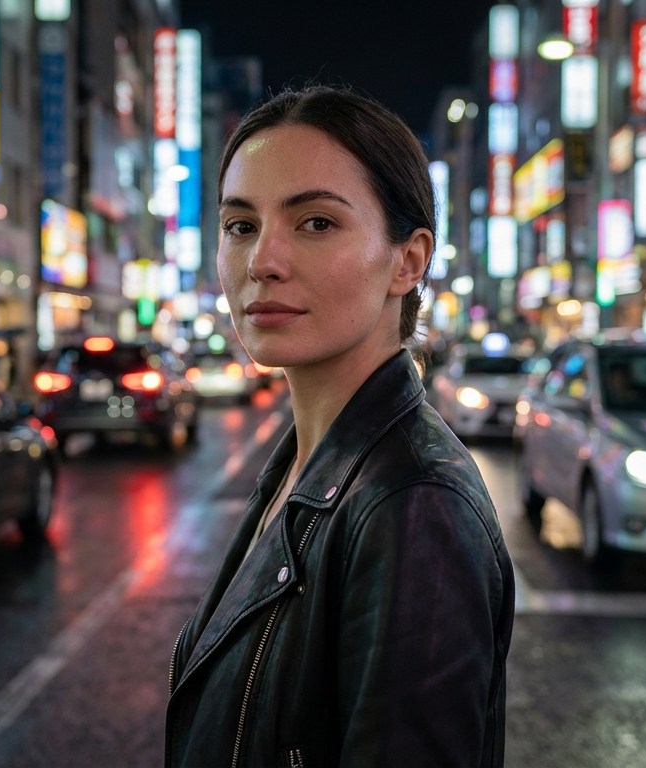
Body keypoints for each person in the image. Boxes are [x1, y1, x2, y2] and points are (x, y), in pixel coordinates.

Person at [165, 86, 514, 767]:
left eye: (316, 223)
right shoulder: (305, 463)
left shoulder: (413, 505)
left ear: (408, 261)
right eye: (240, 226)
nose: (263, 260)